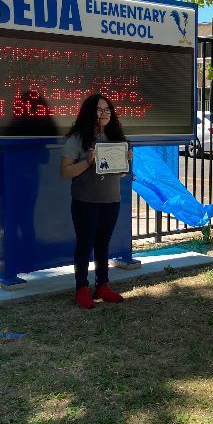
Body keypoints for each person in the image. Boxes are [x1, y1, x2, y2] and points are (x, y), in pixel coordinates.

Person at [60, 94, 132, 309]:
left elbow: (119, 174)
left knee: (103, 244)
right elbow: (65, 172)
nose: (104, 114)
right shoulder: (76, 139)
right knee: (84, 245)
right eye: (99, 110)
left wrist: (125, 163)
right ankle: (81, 289)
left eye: (108, 110)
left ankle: (103, 286)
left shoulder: (117, 137)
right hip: (85, 201)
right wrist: (87, 161)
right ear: (89, 113)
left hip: (111, 200)